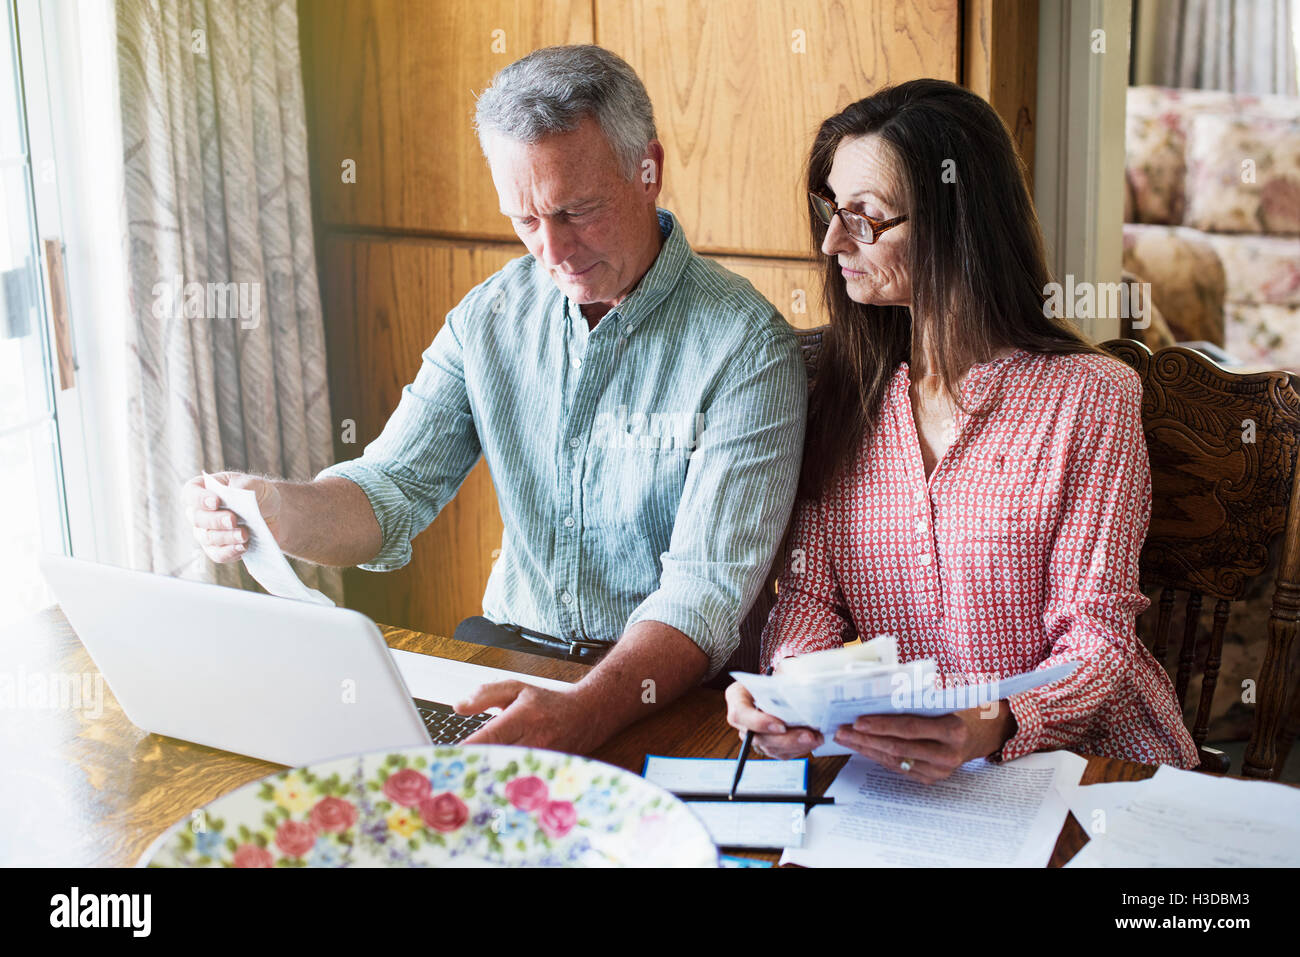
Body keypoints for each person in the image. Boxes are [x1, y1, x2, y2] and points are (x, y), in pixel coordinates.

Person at [182, 45, 806, 754]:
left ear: (648, 170)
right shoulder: (490, 317)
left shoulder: (749, 347)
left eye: (579, 211)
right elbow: (389, 489)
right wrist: (278, 510)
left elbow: (701, 597)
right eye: (525, 221)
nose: (554, 251)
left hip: (671, 691)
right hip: (507, 656)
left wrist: (581, 710)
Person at [725, 78, 1199, 780]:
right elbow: (808, 601)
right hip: (913, 777)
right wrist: (792, 695)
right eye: (831, 210)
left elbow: (1098, 639)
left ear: (956, 221)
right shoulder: (840, 394)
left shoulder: (1092, 399)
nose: (831, 241)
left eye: (864, 216)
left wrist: (1000, 720)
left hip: (1093, 767)